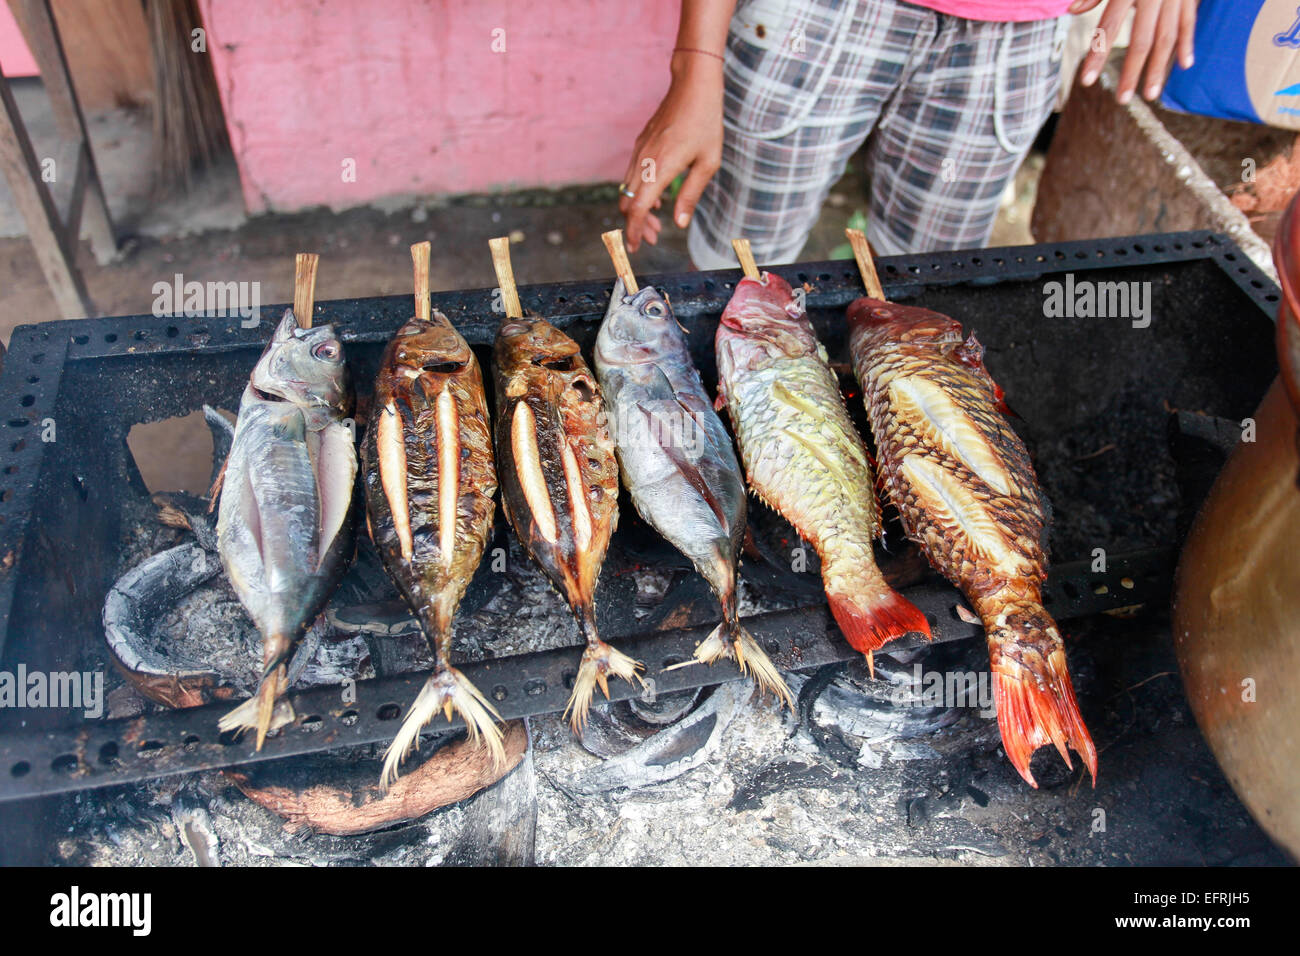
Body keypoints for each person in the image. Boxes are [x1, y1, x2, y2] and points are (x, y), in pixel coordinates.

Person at [617, 0, 1197, 268]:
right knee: (740, 264)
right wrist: (695, 63)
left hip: (1015, 40)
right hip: (819, 19)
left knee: (921, 286)